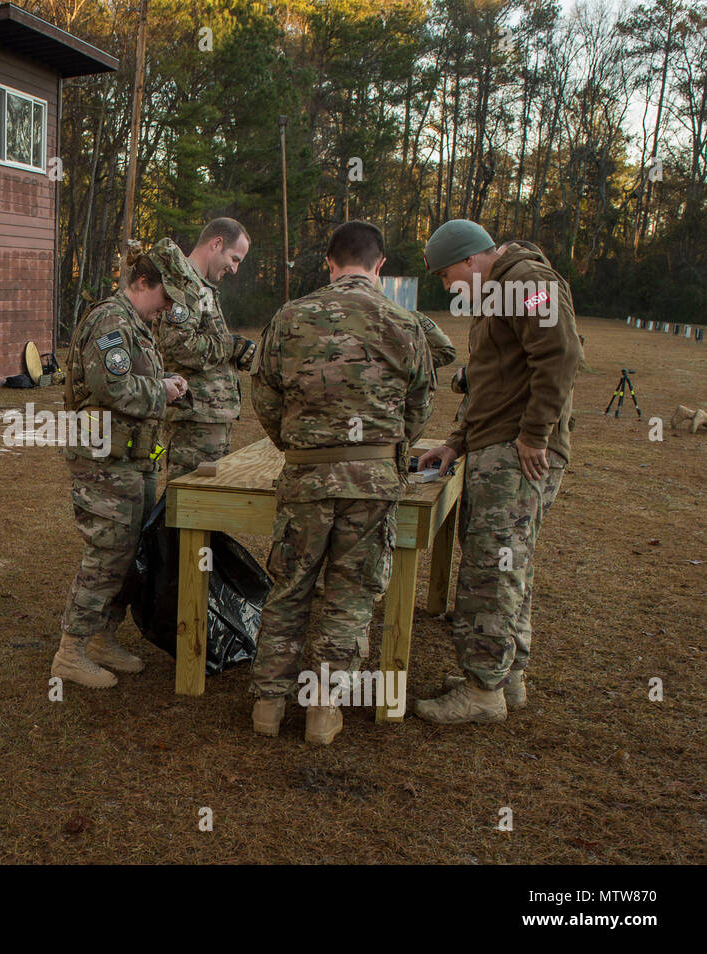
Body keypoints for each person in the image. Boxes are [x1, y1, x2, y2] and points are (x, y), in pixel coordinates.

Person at [249, 221, 434, 743]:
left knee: (290, 588)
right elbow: (419, 405)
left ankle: (267, 706)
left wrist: (298, 446)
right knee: (350, 595)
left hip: (307, 474)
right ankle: (323, 712)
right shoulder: (405, 321)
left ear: (328, 263)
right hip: (372, 481)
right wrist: (388, 452)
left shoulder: (290, 317)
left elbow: (264, 395)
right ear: (380, 266)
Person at [414, 219, 583, 724]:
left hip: (515, 454)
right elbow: (492, 380)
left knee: (492, 570)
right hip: (497, 447)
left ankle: (482, 691)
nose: (448, 288)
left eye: (447, 276)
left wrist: (533, 436)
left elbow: (560, 356)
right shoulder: (500, 292)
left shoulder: (525, 284)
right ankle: (506, 675)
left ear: (471, 260)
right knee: (512, 566)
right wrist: (457, 442)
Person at [54, 244, 189, 688]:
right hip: (104, 464)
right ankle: (70, 652)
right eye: (165, 298)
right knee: (107, 556)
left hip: (133, 460)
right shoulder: (111, 320)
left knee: (130, 555)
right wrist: (162, 391)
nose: (168, 308)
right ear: (143, 283)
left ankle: (102, 639)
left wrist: (164, 383)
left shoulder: (138, 324)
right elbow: (112, 388)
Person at [155, 218, 255, 484]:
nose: (234, 269)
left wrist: (234, 349)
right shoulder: (185, 285)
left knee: (206, 505)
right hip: (195, 420)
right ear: (216, 243)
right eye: (234, 259)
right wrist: (231, 347)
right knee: (189, 506)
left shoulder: (200, 286)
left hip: (208, 417)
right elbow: (179, 345)